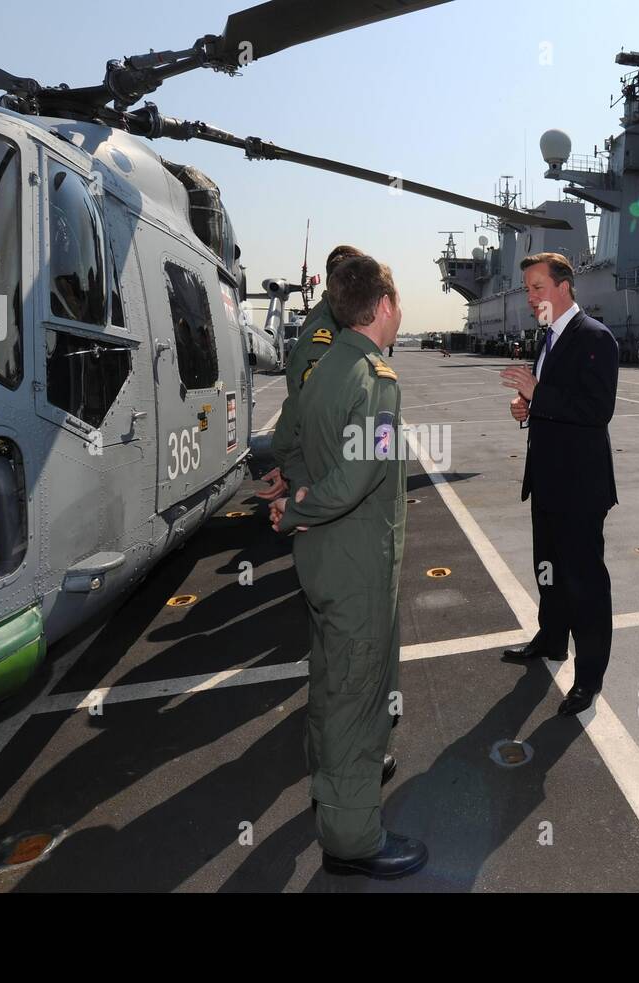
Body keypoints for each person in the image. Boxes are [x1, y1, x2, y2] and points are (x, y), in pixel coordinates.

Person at [270, 255, 426, 879]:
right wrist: (297, 507)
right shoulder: (376, 379)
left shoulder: (320, 365)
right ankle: (352, 837)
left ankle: (332, 780)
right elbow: (360, 476)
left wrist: (299, 498)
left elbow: (288, 444)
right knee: (358, 695)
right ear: (385, 304)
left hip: (324, 563)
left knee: (334, 680)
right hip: (360, 562)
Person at [499, 252, 619, 717]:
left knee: (585, 582)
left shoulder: (595, 338)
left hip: (580, 487)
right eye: (527, 289)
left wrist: (537, 393)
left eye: (536, 287)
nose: (530, 298)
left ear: (564, 287)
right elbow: (556, 403)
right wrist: (525, 406)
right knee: (547, 568)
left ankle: (589, 677)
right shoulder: (549, 338)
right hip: (548, 480)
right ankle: (550, 640)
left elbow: (597, 410)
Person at [258, 244, 365, 504]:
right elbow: (305, 406)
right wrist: (290, 466)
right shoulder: (324, 337)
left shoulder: (342, 323)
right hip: (325, 467)